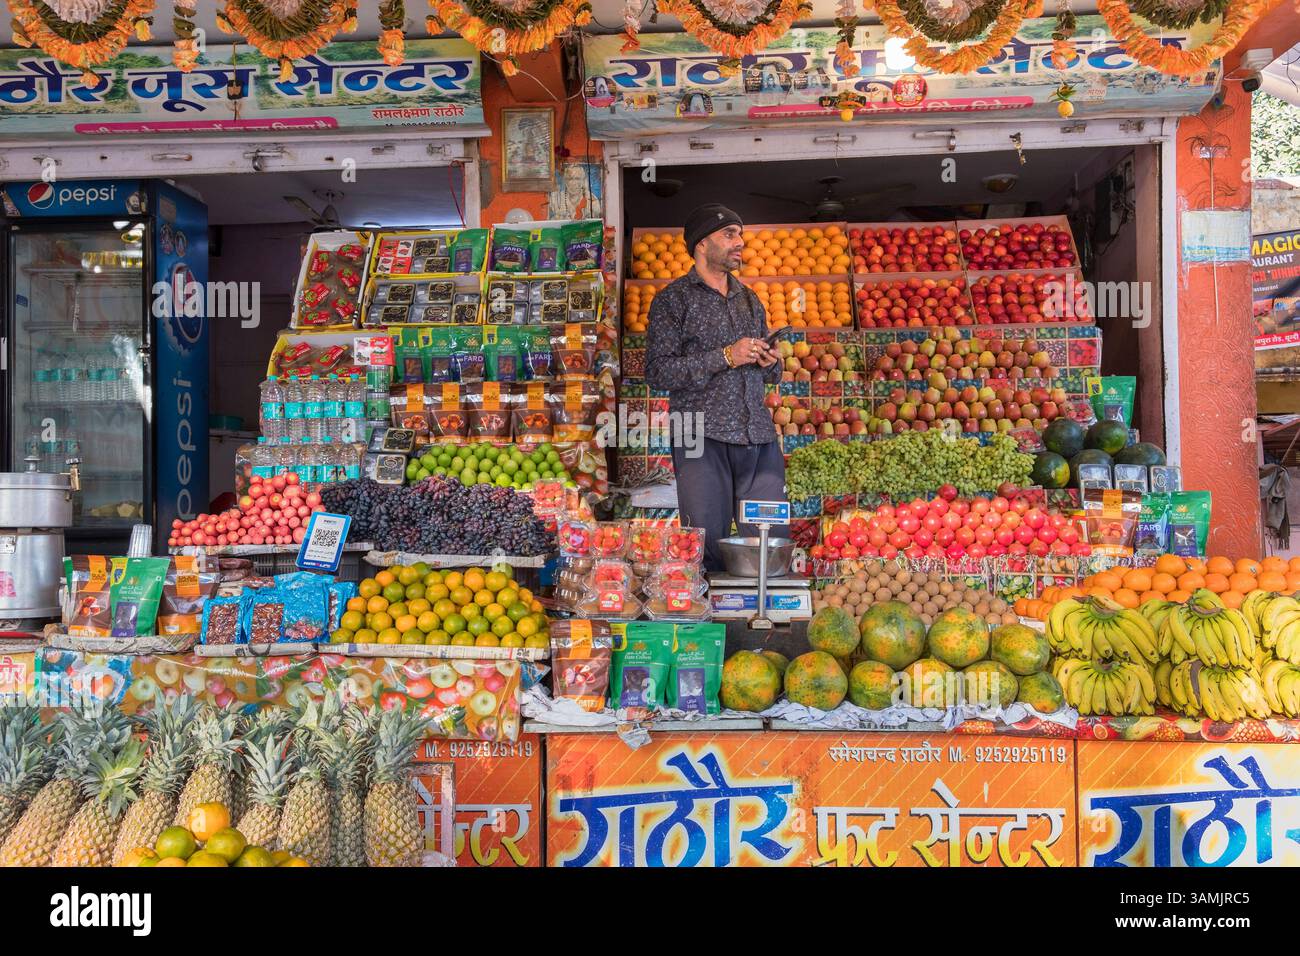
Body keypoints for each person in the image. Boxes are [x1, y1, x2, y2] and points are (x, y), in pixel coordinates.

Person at [645, 203, 785, 573]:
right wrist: (725, 356)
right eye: (730, 234)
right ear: (701, 244)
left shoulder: (749, 299)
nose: (740, 241)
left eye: (740, 233)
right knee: (704, 545)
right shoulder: (672, 301)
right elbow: (658, 372)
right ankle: (711, 626)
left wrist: (771, 362)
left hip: (756, 433)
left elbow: (767, 375)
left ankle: (766, 626)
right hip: (698, 434)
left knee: (770, 541)